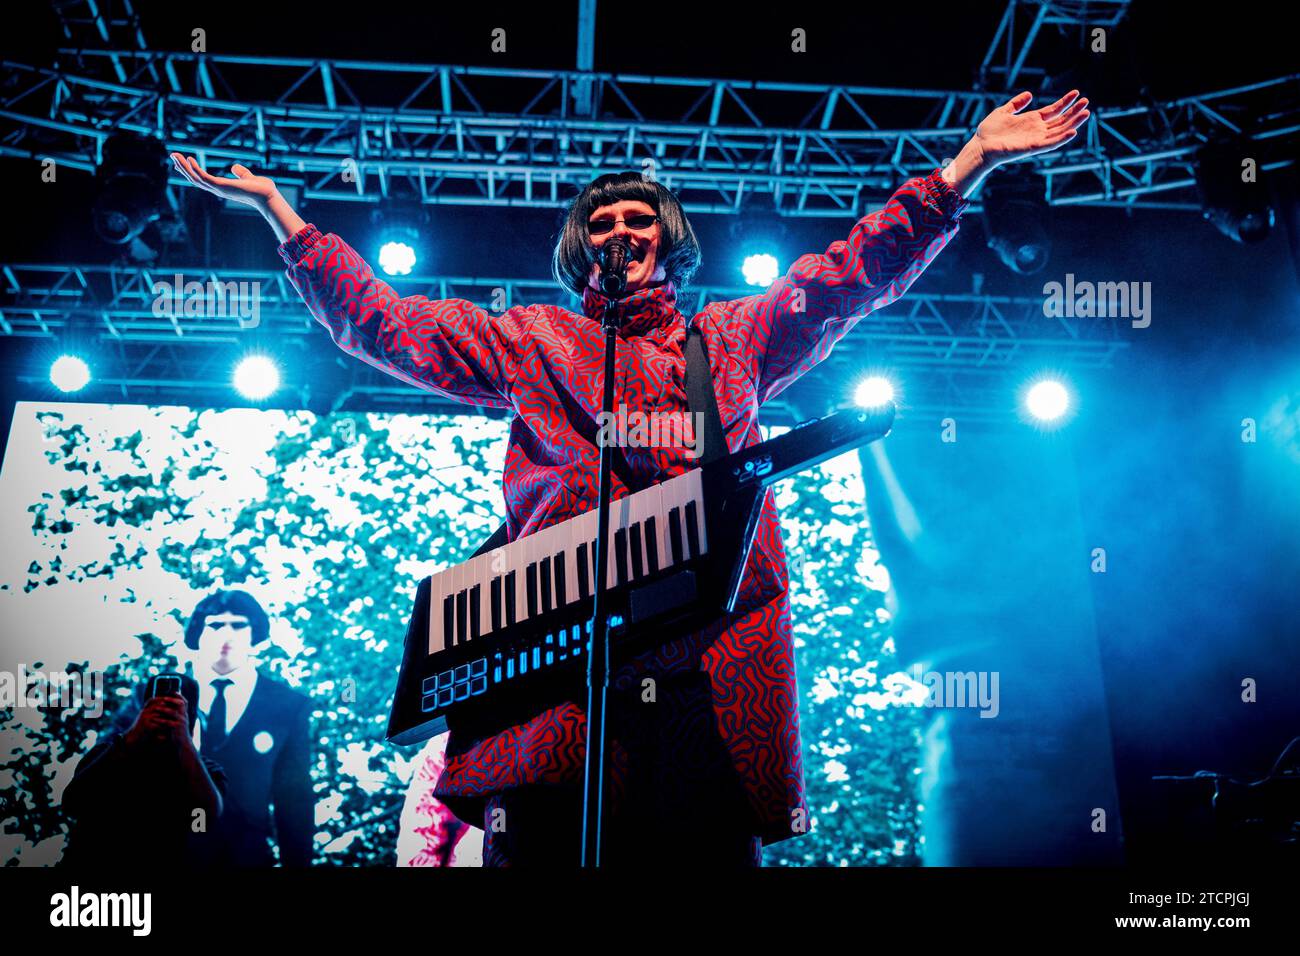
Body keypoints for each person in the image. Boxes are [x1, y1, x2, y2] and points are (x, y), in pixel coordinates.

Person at [171, 88, 1089, 866]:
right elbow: (385, 324)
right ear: (582, 247)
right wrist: (282, 216)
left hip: (704, 668)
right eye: (602, 223)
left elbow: (851, 274)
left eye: (638, 220)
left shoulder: (730, 340)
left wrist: (967, 161)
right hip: (555, 666)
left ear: (667, 240)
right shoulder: (529, 340)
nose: (621, 231)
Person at [182, 589, 315, 866]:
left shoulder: (288, 706)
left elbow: (294, 801)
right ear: (198, 634)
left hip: (247, 858)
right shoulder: (157, 697)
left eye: (239, 625)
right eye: (216, 625)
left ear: (254, 634)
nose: (227, 634)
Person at [61, 674, 227, 867]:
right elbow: (73, 803)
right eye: (157, 707)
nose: (166, 715)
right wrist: (134, 734)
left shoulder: (206, 771)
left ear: (190, 717)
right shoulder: (110, 753)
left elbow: (205, 819)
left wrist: (183, 740)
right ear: (143, 710)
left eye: (177, 710)